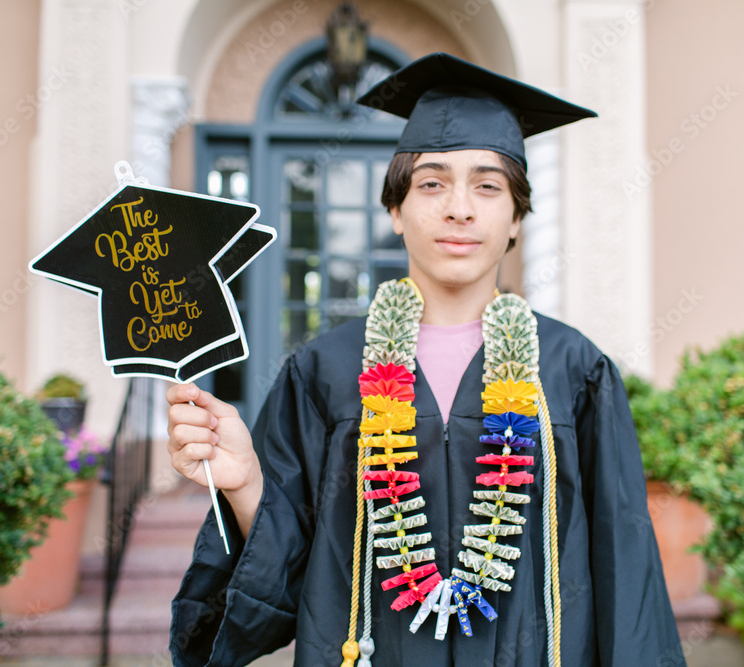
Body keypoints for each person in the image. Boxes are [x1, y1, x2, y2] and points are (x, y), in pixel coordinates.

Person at [166, 53, 684, 667]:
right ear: (395, 210)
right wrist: (247, 482)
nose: (459, 208)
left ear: (517, 217)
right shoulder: (324, 371)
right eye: (432, 183)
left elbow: (625, 566)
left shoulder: (575, 371)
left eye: (488, 186)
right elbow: (297, 567)